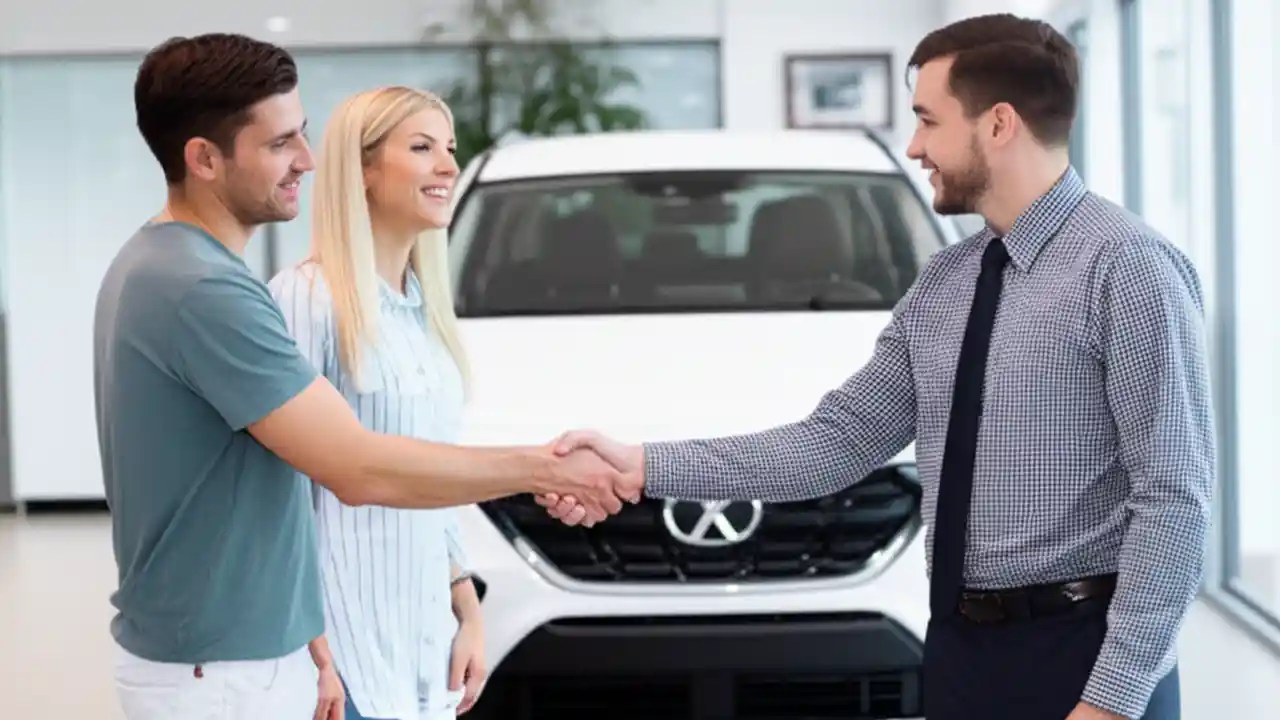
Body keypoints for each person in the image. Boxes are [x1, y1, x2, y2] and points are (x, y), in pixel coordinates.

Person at [540, 14, 1212, 720]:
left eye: (928, 120)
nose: (915, 145)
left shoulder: (1129, 268)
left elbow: (1175, 501)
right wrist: (639, 465)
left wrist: (1110, 702)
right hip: (961, 653)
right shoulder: (945, 285)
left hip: (1085, 657)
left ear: (999, 124)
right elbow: (831, 445)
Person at [94, 33, 636, 720]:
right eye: (279, 143)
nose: (307, 160)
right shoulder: (210, 290)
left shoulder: (174, 269)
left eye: (305, 135)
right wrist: (549, 469)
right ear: (203, 158)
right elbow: (356, 469)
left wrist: (459, 597)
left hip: (266, 654)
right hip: (234, 666)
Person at [267, 86, 485, 720]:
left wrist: (466, 610)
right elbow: (281, 493)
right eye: (422, 148)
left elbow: (435, 480)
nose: (448, 166)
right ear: (361, 170)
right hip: (343, 654)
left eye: (449, 148)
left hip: (424, 648)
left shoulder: (427, 318)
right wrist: (311, 648)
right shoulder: (308, 298)